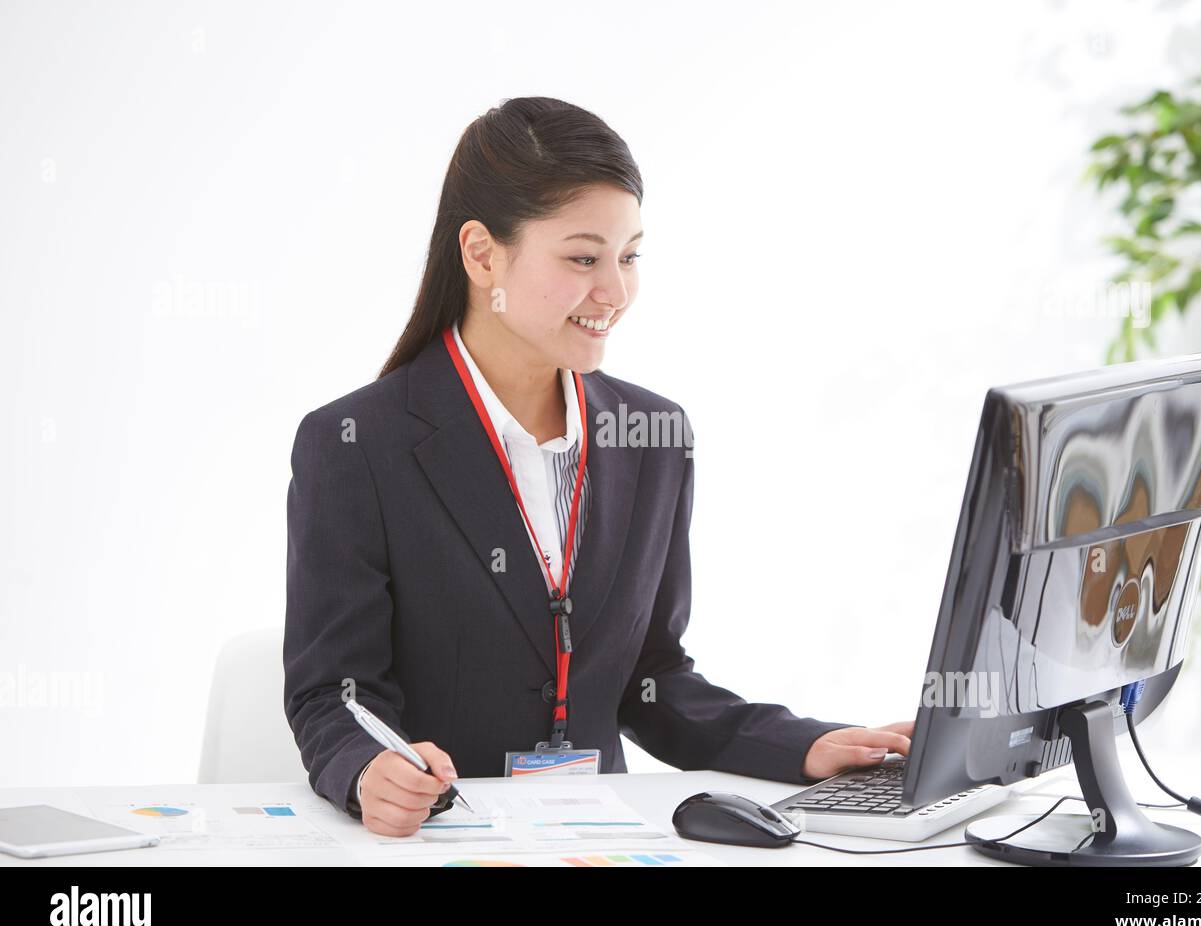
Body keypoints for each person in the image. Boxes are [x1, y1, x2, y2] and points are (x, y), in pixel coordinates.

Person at [283, 96, 913, 837]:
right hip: (440, 839)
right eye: (584, 258)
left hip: (599, 842)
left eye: (629, 255)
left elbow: (652, 682)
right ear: (483, 253)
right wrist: (364, 768)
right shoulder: (357, 443)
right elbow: (333, 694)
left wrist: (802, 744)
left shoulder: (653, 436)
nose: (615, 293)